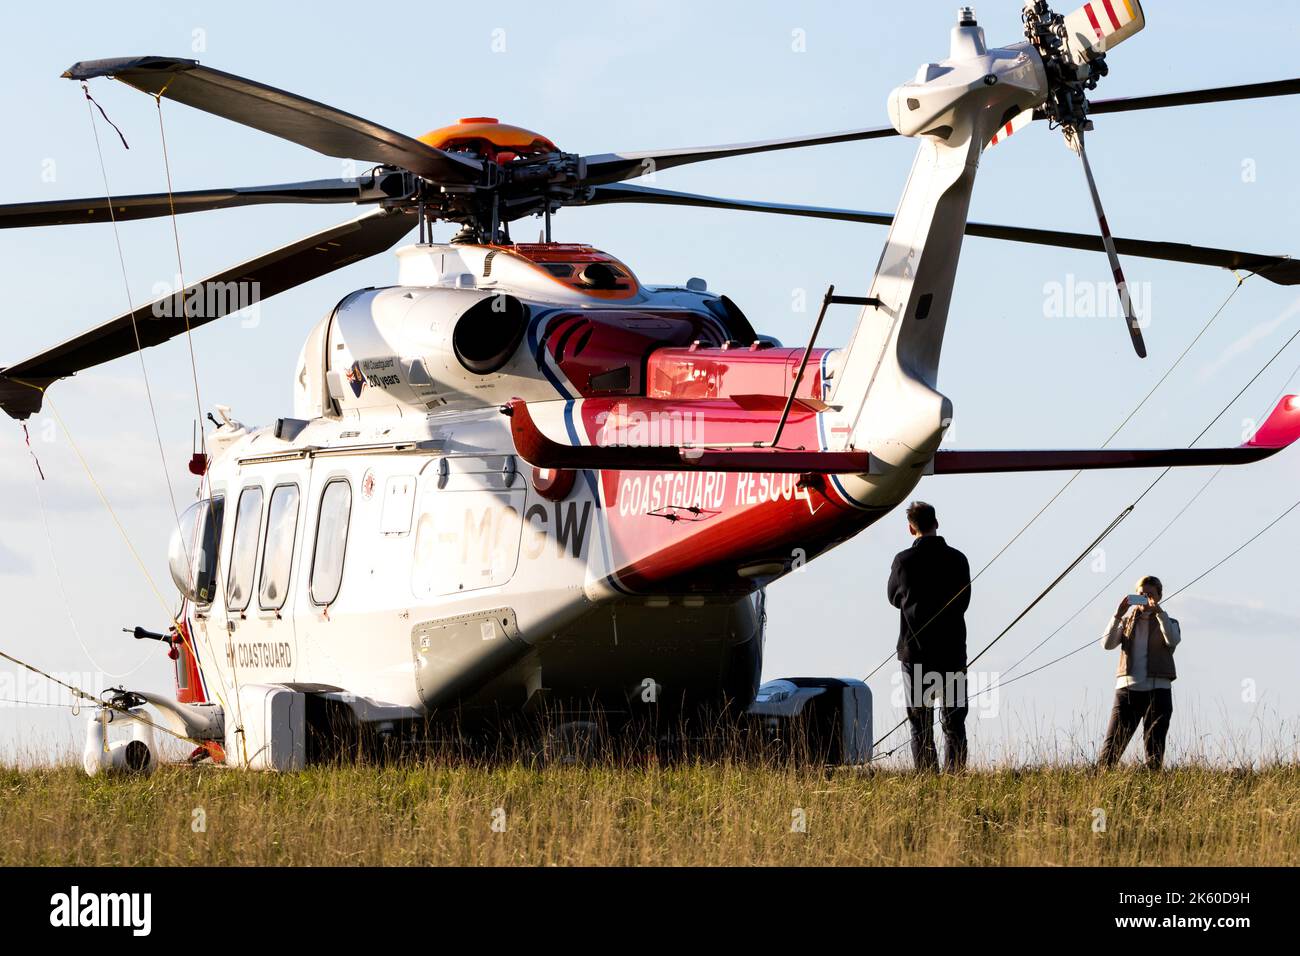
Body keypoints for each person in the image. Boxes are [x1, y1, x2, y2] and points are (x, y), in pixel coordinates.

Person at [887, 501, 972, 772]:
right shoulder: (958, 559)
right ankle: (955, 779)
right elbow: (964, 601)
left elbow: (892, 597)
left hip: (916, 653)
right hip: (952, 651)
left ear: (911, 528)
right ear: (937, 523)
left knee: (920, 724)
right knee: (954, 723)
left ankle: (926, 781)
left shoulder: (903, 561)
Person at [1098, 575, 1180, 770]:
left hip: (1157, 691)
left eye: (1150, 594)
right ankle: (1099, 784)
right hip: (1127, 691)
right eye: (1141, 594)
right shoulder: (1126, 622)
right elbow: (1107, 644)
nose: (1145, 598)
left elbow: (1172, 640)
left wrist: (1159, 612)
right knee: (1111, 748)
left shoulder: (1169, 622)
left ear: (1159, 596)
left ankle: (1152, 787)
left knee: (1154, 748)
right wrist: (1117, 615)